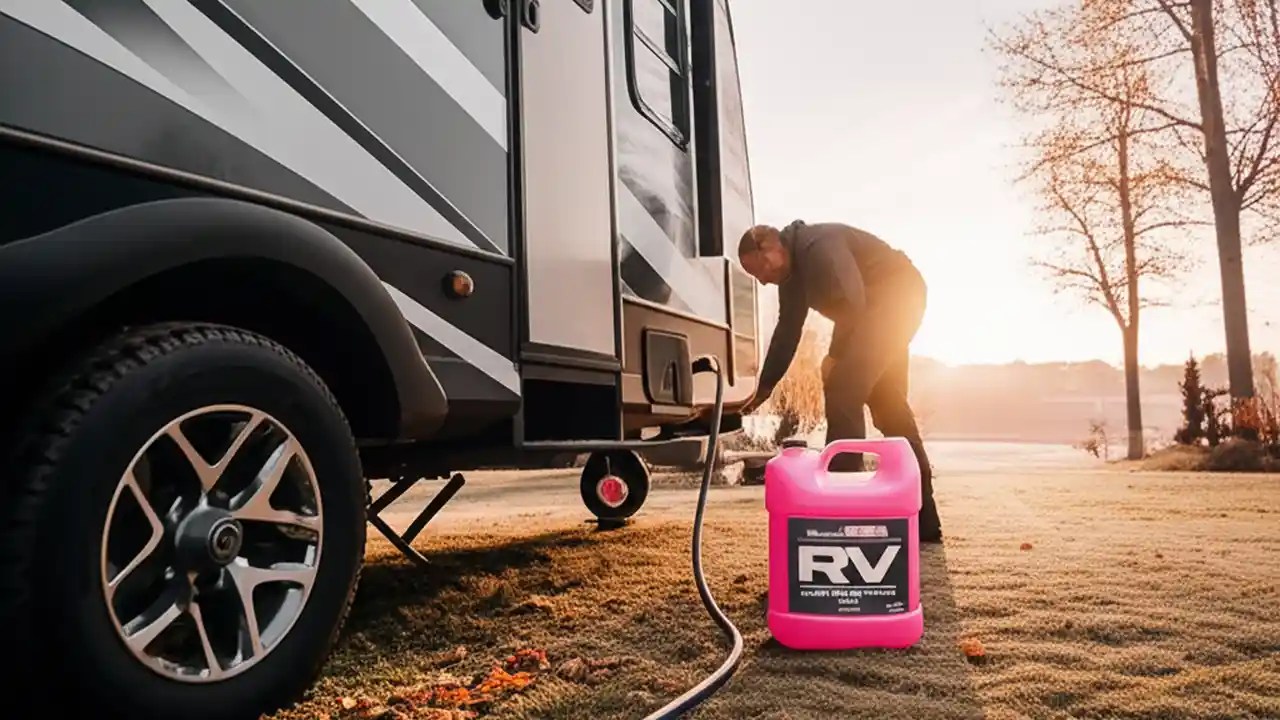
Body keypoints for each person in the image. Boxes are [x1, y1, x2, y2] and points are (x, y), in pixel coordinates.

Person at [739, 220, 942, 543]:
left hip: (896, 299)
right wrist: (764, 388)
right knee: (888, 405)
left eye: (760, 268)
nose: (763, 281)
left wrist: (834, 358)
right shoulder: (792, 276)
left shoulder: (819, 246)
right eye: (755, 277)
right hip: (878, 310)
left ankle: (844, 510)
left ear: (771, 246)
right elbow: (787, 332)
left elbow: (852, 304)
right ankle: (924, 518)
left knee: (843, 390)